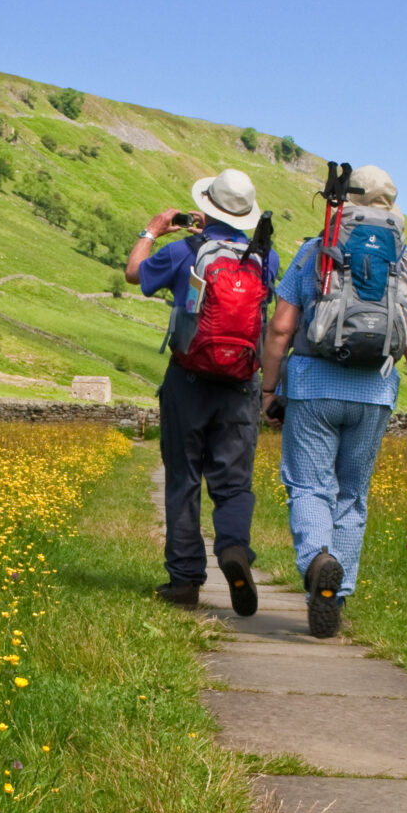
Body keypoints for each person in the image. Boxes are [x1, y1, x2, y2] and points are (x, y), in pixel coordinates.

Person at [260, 164, 407, 638]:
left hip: (314, 387)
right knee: (351, 497)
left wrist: (268, 389)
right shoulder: (402, 260)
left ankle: (318, 560)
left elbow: (280, 328)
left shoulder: (315, 251)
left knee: (309, 487)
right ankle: (333, 600)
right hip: (375, 392)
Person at [127, 167, 279, 612]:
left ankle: (185, 581)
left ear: (206, 208)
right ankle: (233, 548)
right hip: (241, 384)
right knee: (233, 484)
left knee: (184, 479)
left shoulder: (183, 252)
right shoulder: (263, 258)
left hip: (188, 379)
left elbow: (134, 273)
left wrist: (152, 229)